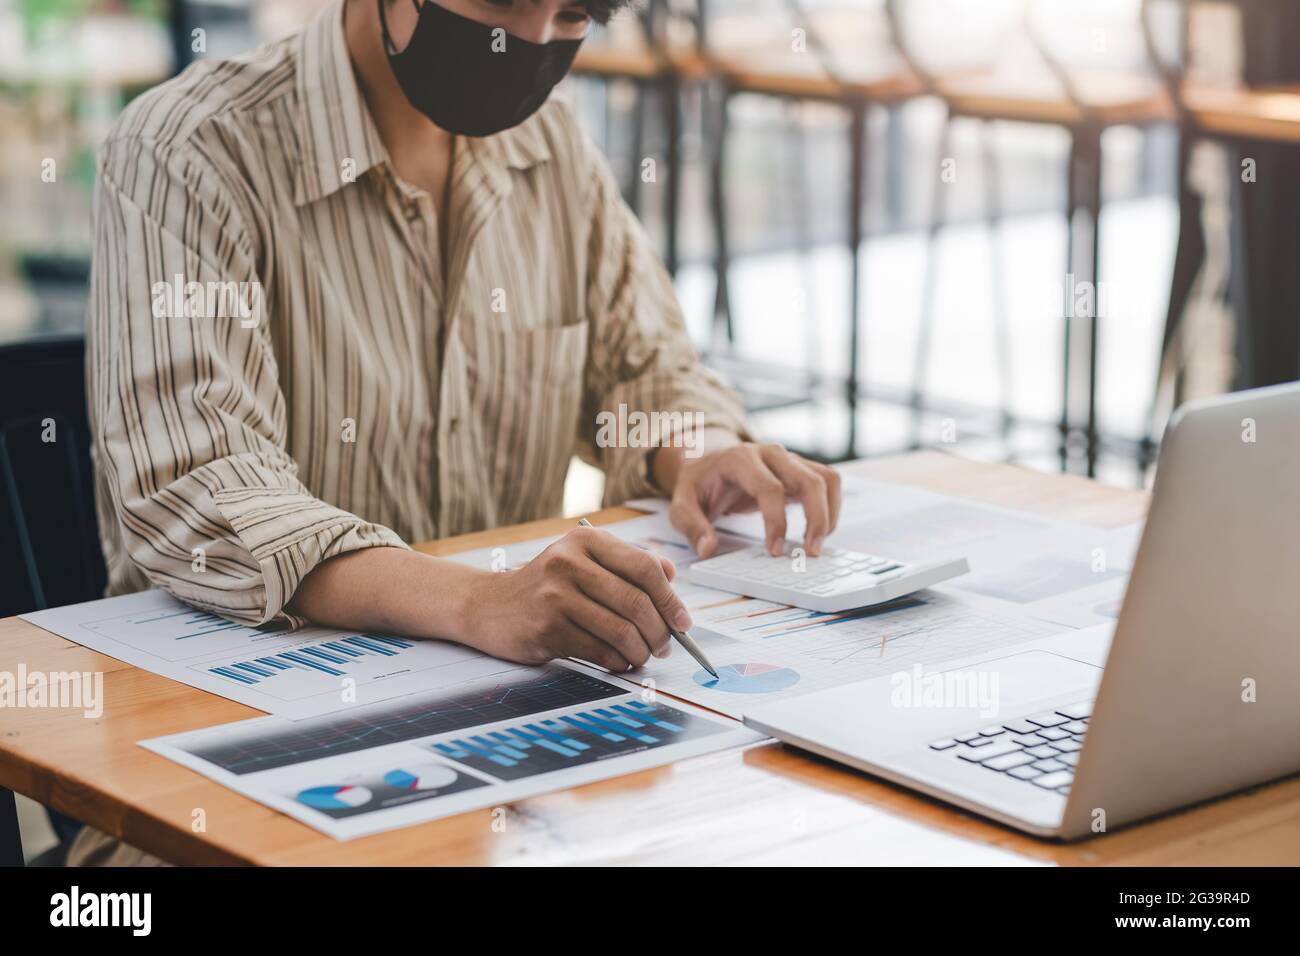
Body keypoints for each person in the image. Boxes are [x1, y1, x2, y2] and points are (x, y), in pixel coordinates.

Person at [76, 0, 842, 864]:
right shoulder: (189, 151)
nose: (534, 44)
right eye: (508, 5)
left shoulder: (549, 152)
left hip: (500, 789)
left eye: (574, 14)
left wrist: (699, 451)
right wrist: (481, 602)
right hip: (214, 791)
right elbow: (205, 487)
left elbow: (646, 372)